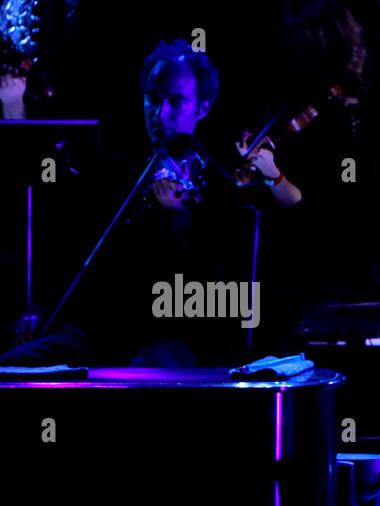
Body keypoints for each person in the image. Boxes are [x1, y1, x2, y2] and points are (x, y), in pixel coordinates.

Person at [4, 39, 284, 367]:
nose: (160, 113)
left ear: (202, 108)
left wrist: (175, 222)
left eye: (175, 101)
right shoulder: (118, 171)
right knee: (11, 368)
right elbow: (76, 250)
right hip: (105, 331)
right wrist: (39, 309)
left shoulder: (219, 186)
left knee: (142, 374)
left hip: (175, 336)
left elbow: (214, 287)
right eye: (152, 99)